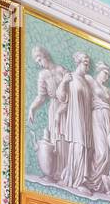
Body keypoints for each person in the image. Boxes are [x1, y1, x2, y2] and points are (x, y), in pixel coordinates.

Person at [27, 46, 69, 181]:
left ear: (45, 55)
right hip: (54, 107)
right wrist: (32, 108)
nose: (39, 63)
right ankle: (55, 171)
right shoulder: (43, 75)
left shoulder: (61, 70)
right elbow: (41, 96)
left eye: (39, 59)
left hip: (67, 107)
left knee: (66, 138)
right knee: (56, 137)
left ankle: (66, 172)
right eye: (37, 61)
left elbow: (71, 90)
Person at [61, 52, 97, 192]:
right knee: (79, 145)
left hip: (85, 117)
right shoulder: (71, 77)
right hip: (75, 115)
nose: (87, 67)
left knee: (85, 147)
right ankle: (77, 180)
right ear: (79, 63)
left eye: (88, 64)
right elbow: (61, 96)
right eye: (85, 63)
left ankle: (80, 177)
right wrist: (64, 82)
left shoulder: (86, 81)